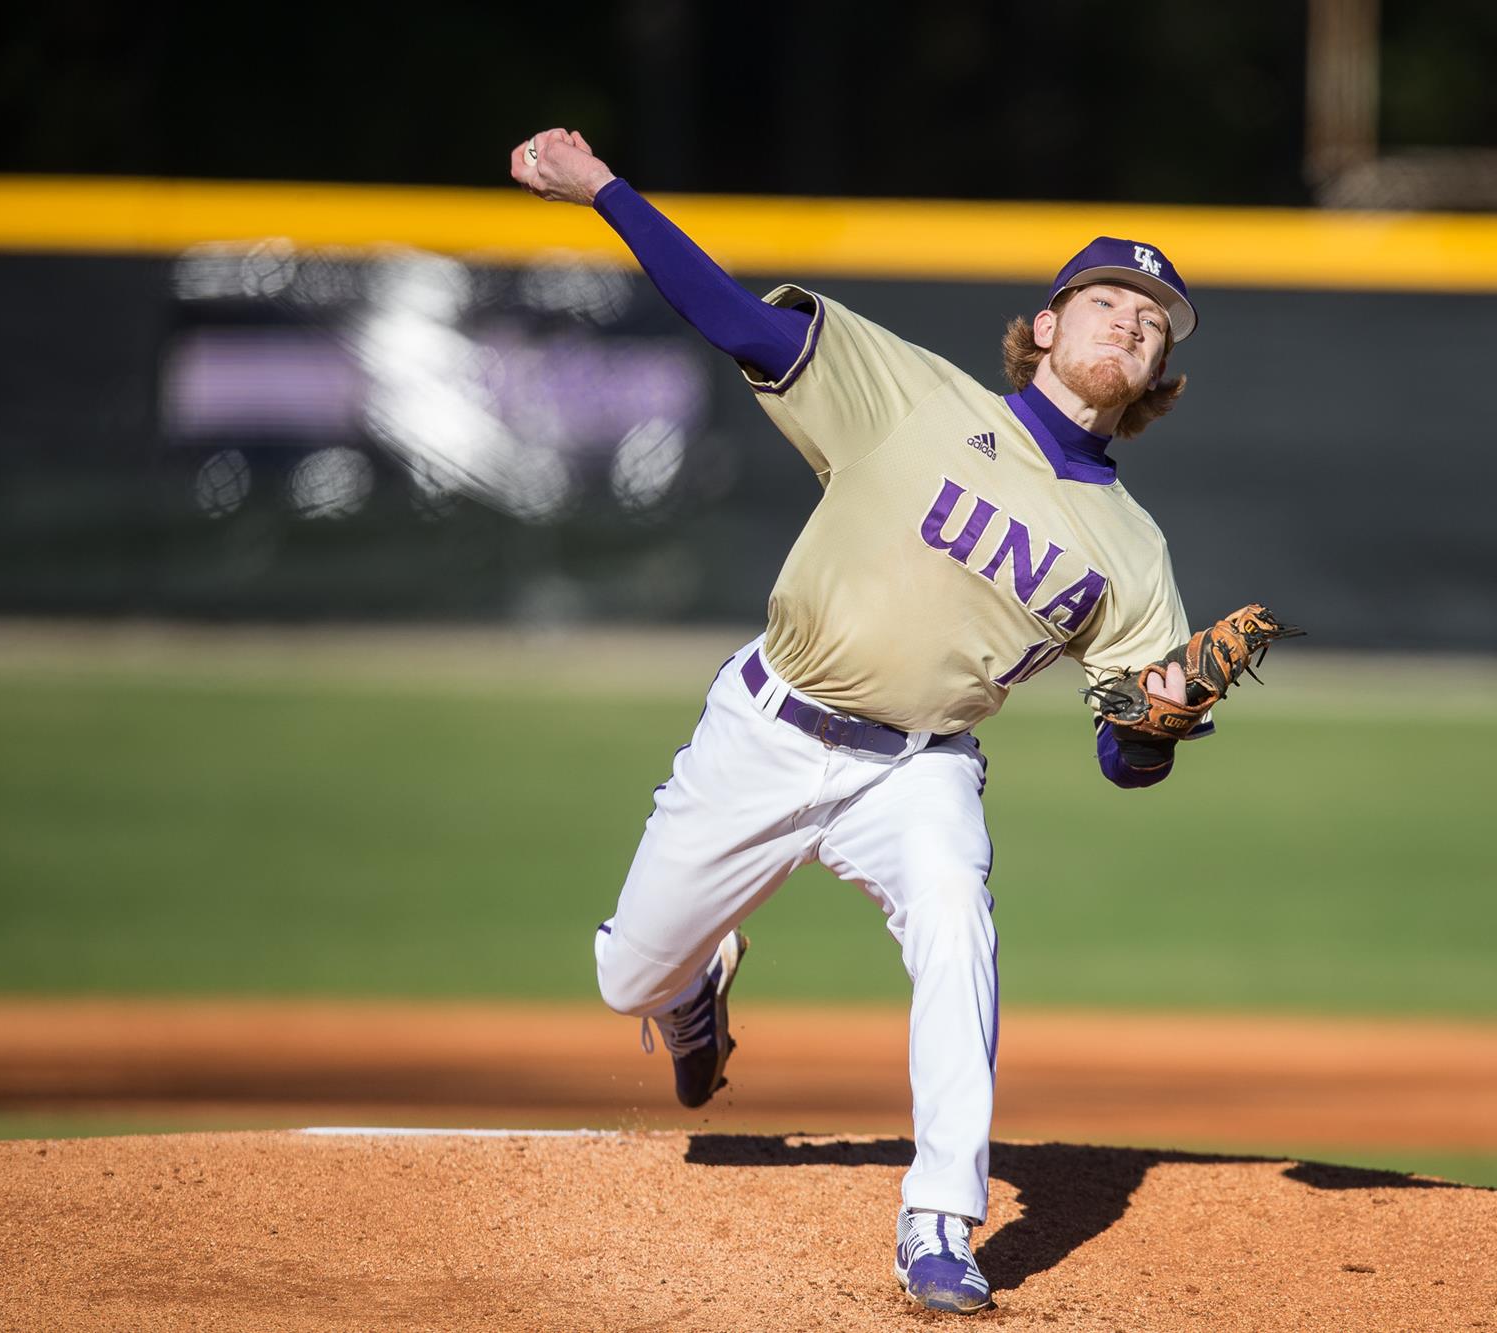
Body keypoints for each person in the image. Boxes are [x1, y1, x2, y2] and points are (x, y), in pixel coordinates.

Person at [512, 126, 1213, 1315]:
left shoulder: (1133, 552)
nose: (1131, 325)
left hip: (916, 769)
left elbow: (1120, 754)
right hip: (766, 727)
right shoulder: (910, 393)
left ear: (1153, 377)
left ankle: (938, 1223)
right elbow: (737, 322)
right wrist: (605, 191)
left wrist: (1154, 727)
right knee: (627, 977)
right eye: (1107, 302)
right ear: (1046, 326)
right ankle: (690, 984)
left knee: (956, 925)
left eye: (1152, 325)